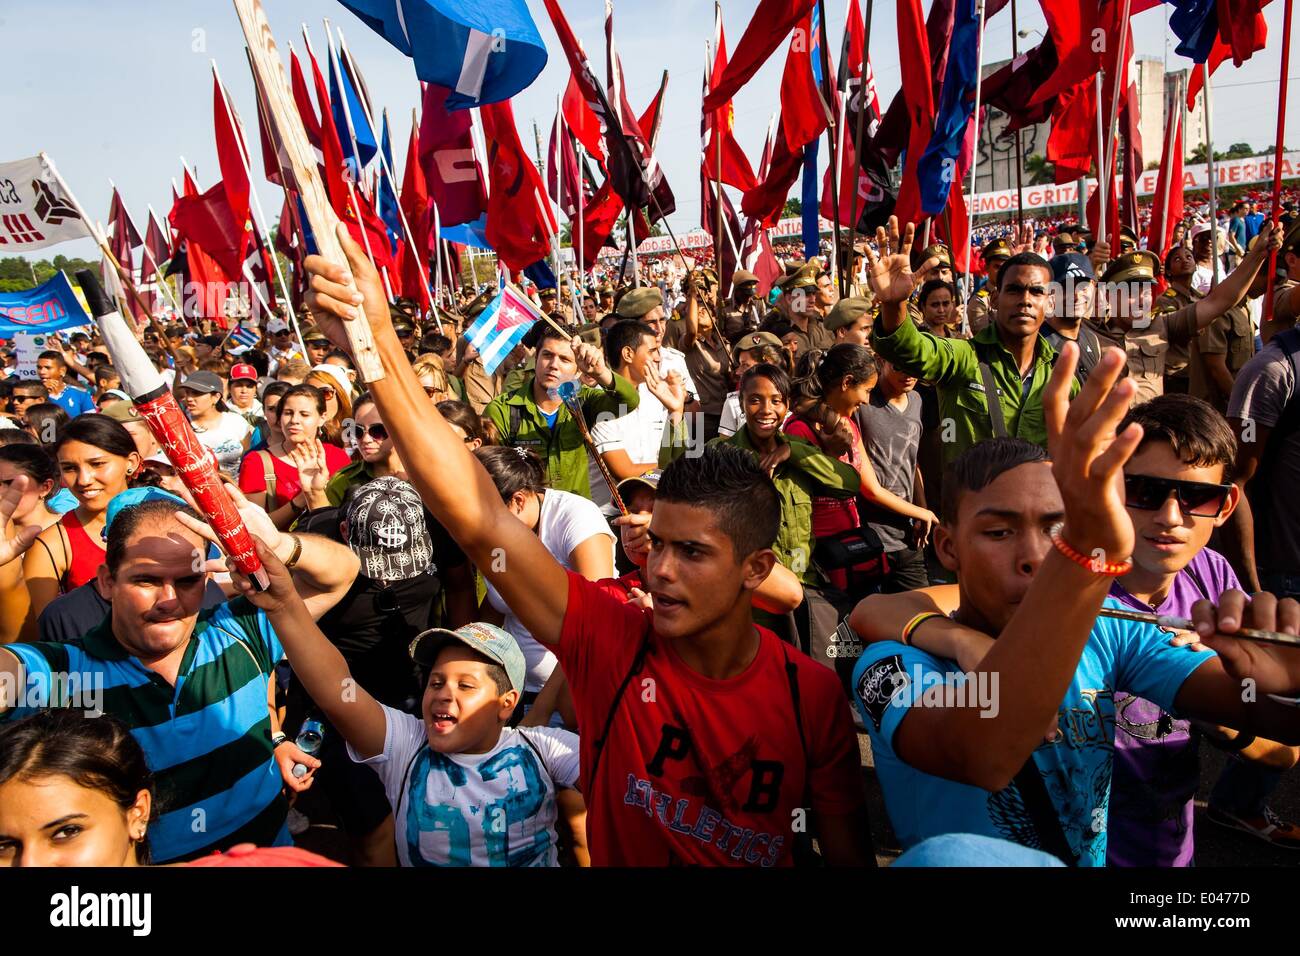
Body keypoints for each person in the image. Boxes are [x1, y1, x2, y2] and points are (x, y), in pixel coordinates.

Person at [303, 224, 874, 866]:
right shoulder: (615, 644)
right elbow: (481, 520)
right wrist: (377, 339)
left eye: (692, 553)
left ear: (755, 568)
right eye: (656, 544)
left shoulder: (810, 696)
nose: (658, 569)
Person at [847, 345, 1300, 864]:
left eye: (1058, 529)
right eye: (999, 532)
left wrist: (1287, 682)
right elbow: (985, 754)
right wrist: (1084, 550)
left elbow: (1270, 722)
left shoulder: (1110, 632)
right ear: (948, 548)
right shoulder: (891, 666)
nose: (1036, 558)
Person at [0, 485, 360, 863]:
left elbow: (342, 572)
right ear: (107, 581)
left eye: (187, 581)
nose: (169, 600)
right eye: (147, 580)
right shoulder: (70, 673)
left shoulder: (241, 632)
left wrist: (282, 546)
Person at [868, 218, 1077, 465]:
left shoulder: (1063, 378)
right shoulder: (963, 357)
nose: (1025, 300)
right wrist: (894, 304)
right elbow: (909, 350)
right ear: (995, 299)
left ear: (1050, 302)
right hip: (971, 502)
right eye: (1014, 290)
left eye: (1037, 291)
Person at [783, 345, 938, 594]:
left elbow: (872, 486)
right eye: (865, 390)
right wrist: (831, 453)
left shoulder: (849, 426)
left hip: (852, 547)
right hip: (818, 553)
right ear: (847, 382)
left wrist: (921, 511)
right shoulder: (801, 429)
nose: (866, 400)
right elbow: (810, 491)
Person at [475, 446, 615, 705]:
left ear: (517, 501)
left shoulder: (575, 517)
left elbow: (594, 619)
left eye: (487, 514)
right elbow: (496, 606)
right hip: (515, 690)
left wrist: (543, 708)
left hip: (576, 694)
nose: (479, 523)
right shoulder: (489, 534)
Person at [1092, 228, 1279, 405]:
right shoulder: (1088, 334)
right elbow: (1067, 307)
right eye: (1131, 291)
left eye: (1147, 290)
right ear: (1108, 295)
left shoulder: (1161, 326)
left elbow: (1219, 301)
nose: (1142, 298)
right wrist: (1091, 264)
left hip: (1152, 431)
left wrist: (1258, 254)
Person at [483, 325, 639, 499]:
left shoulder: (584, 401)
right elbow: (490, 475)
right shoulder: (502, 409)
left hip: (575, 517)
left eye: (565, 359)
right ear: (536, 359)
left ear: (578, 369)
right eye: (547, 355)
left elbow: (629, 401)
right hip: (523, 518)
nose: (553, 365)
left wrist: (600, 372)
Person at [20, 416, 141, 637]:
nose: (84, 479)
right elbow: (40, 637)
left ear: (131, 462)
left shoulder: (173, 519)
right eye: (69, 468)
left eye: (97, 464)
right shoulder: (52, 544)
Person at [590, 320, 685, 514]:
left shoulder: (655, 392)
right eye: (652, 351)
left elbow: (690, 450)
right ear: (628, 354)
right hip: (611, 516)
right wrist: (680, 468)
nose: (658, 358)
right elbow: (624, 471)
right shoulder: (600, 400)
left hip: (653, 510)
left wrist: (677, 410)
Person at [855, 357, 930, 592]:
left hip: (909, 535)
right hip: (871, 534)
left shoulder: (917, 399)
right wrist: (923, 512)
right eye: (899, 365)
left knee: (922, 616)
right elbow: (867, 484)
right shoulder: (864, 402)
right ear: (881, 361)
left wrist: (921, 509)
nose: (907, 374)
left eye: (915, 365)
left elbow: (913, 460)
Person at [237, 383, 351, 529]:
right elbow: (254, 526)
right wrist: (302, 498)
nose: (294, 420)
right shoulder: (257, 461)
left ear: (322, 418)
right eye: (288, 413)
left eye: (304, 414)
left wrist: (317, 494)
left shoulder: (338, 457)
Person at [1041, 253, 1105, 385]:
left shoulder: (1091, 339)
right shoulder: (1037, 344)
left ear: (1093, 286)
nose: (1076, 296)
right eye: (1066, 288)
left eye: (1082, 286)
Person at [176, 370, 251, 477]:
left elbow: (248, 461)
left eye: (196, 393)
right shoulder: (180, 427)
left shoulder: (236, 423)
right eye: (187, 392)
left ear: (216, 397)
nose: (189, 399)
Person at [968, 237, 1012, 334]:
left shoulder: (1016, 294)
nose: (1002, 271)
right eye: (997, 267)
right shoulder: (979, 301)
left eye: (1005, 267)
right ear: (987, 268)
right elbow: (985, 338)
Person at [34, 352, 94, 418]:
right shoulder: (30, 394)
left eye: (48, 368)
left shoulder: (81, 394)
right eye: (39, 368)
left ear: (62, 370)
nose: (42, 372)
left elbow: (92, 422)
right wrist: (42, 392)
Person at [304, 367, 353, 448]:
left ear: (341, 394)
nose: (319, 400)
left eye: (325, 392)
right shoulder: (302, 437)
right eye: (310, 394)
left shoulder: (361, 430)